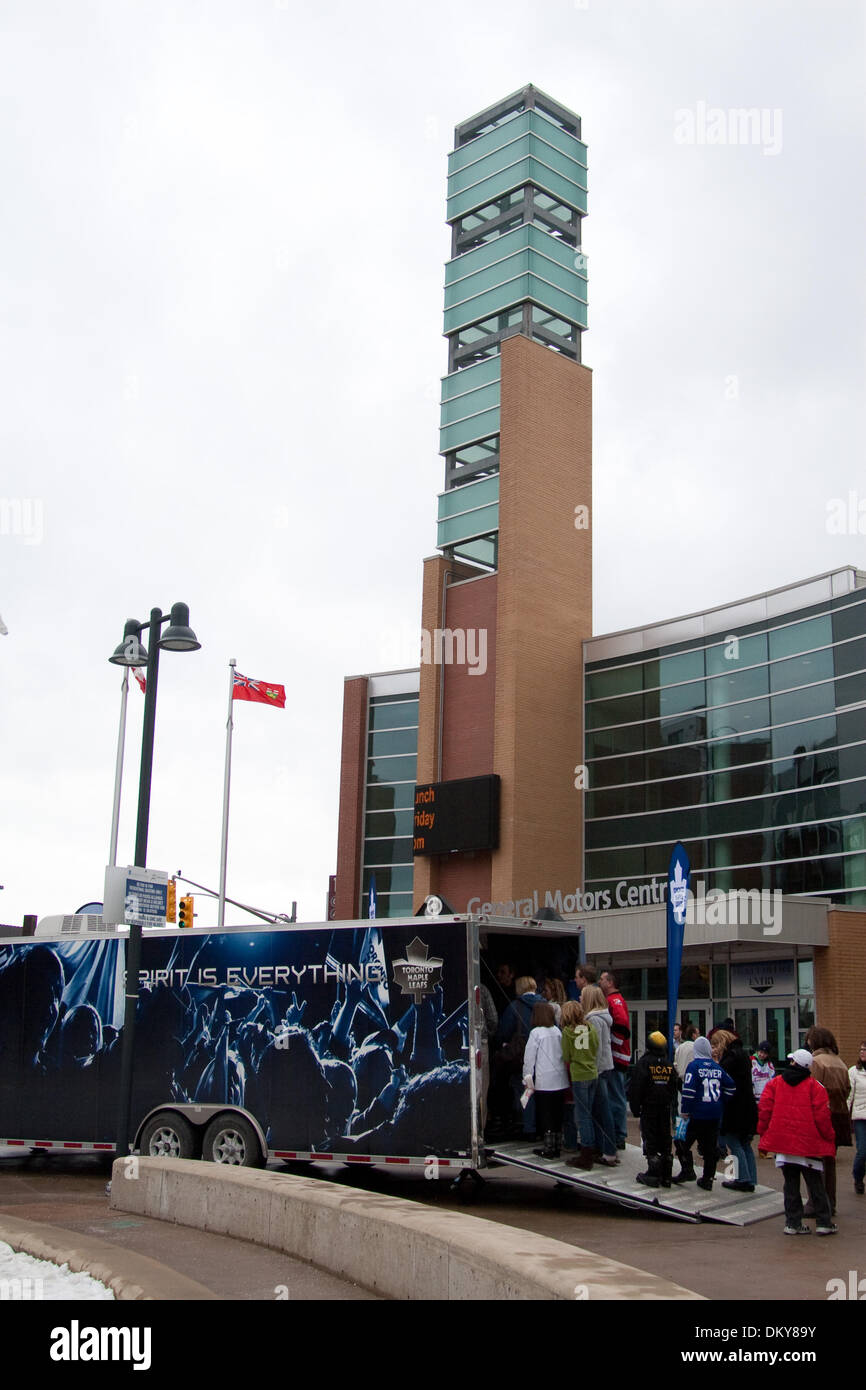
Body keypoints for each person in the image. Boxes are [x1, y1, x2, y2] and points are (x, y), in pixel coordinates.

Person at [757, 1048, 837, 1235]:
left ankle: (792, 1222)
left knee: (790, 1183)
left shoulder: (775, 1083)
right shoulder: (815, 1087)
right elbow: (823, 1117)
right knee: (815, 1183)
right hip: (808, 1144)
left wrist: (762, 1131)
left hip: (784, 1144)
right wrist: (829, 1136)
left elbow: (765, 1109)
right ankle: (824, 1222)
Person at [673, 1037, 735, 1190]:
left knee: (681, 1142)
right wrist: (720, 1101)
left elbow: (688, 1092)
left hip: (696, 1114)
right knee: (709, 1148)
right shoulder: (716, 1067)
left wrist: (685, 1111)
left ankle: (687, 1170)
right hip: (714, 1114)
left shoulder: (693, 1066)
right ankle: (708, 1179)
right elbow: (731, 1086)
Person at [804, 1026, 851, 1216]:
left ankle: (817, 1202)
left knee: (814, 1161)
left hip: (821, 1115)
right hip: (839, 1114)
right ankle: (830, 1201)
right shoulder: (840, 1063)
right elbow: (847, 1089)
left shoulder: (816, 1062)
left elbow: (812, 1090)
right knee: (829, 1161)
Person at [522, 1002, 570, 1159]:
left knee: (546, 1113)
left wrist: (527, 1077)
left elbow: (529, 1058)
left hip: (544, 1080)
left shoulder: (536, 1033)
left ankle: (548, 1147)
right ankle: (557, 1145)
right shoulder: (557, 1031)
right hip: (560, 1079)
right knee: (557, 1113)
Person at [629, 1030, 677, 1187]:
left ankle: (654, 1173)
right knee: (665, 1139)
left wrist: (635, 1108)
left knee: (650, 1138)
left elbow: (636, 1086)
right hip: (664, 1107)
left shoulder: (644, 1063)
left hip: (649, 1107)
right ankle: (666, 1175)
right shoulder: (668, 1064)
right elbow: (674, 1086)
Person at [713, 1029, 758, 1192]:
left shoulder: (731, 1057)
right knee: (745, 1143)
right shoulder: (743, 1054)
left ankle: (743, 1179)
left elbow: (720, 1076)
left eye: (715, 1044)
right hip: (748, 1105)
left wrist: (716, 1060)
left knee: (733, 1141)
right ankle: (751, 1178)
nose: (714, 1048)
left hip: (735, 1106)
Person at [581, 984, 618, 1165]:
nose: (580, 999)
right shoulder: (603, 1018)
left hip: (598, 1070)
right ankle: (606, 1148)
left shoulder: (594, 1020)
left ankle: (609, 1151)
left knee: (602, 1110)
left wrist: (591, 1071)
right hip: (604, 1068)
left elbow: (595, 1048)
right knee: (601, 1110)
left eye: (582, 996)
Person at [561, 1000, 600, 1170]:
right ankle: (590, 1149)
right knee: (589, 1114)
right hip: (592, 1073)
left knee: (581, 1116)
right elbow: (596, 1047)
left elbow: (567, 1056)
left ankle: (586, 1155)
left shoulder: (567, 1032)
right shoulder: (591, 1028)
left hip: (579, 1075)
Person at [599, 969, 630, 1149]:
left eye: (602, 979)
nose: (600, 981)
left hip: (617, 1057)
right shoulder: (612, 1000)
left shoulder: (614, 1001)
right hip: (616, 1056)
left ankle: (619, 1135)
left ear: (610, 982)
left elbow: (622, 1026)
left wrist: (612, 1042)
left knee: (616, 1096)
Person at [848, 1040, 866, 1196]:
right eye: (861, 1050)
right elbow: (849, 1095)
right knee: (862, 1151)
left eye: (865, 1050)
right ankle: (858, 1178)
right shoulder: (854, 1071)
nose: (862, 1052)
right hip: (860, 1117)